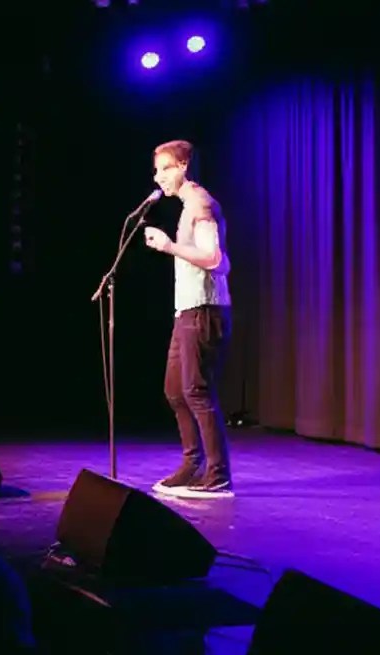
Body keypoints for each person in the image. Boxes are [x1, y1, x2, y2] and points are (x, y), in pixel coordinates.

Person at [144, 140, 234, 498]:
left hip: (205, 310)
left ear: (182, 166)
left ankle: (218, 476)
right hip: (186, 311)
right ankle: (192, 462)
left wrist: (170, 247)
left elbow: (216, 259)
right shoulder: (186, 205)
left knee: (196, 390)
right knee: (174, 390)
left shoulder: (200, 203)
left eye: (165, 168)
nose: (158, 176)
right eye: (156, 170)